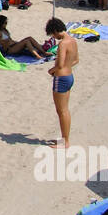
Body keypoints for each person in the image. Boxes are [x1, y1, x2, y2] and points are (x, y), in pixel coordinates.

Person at [45, 17, 77, 148]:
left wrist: (51, 70)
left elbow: (60, 64)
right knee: (65, 110)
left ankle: (65, 141)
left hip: (61, 78)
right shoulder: (73, 41)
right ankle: (66, 139)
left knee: (61, 110)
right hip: (69, 76)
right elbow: (76, 60)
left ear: (55, 31)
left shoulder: (63, 44)